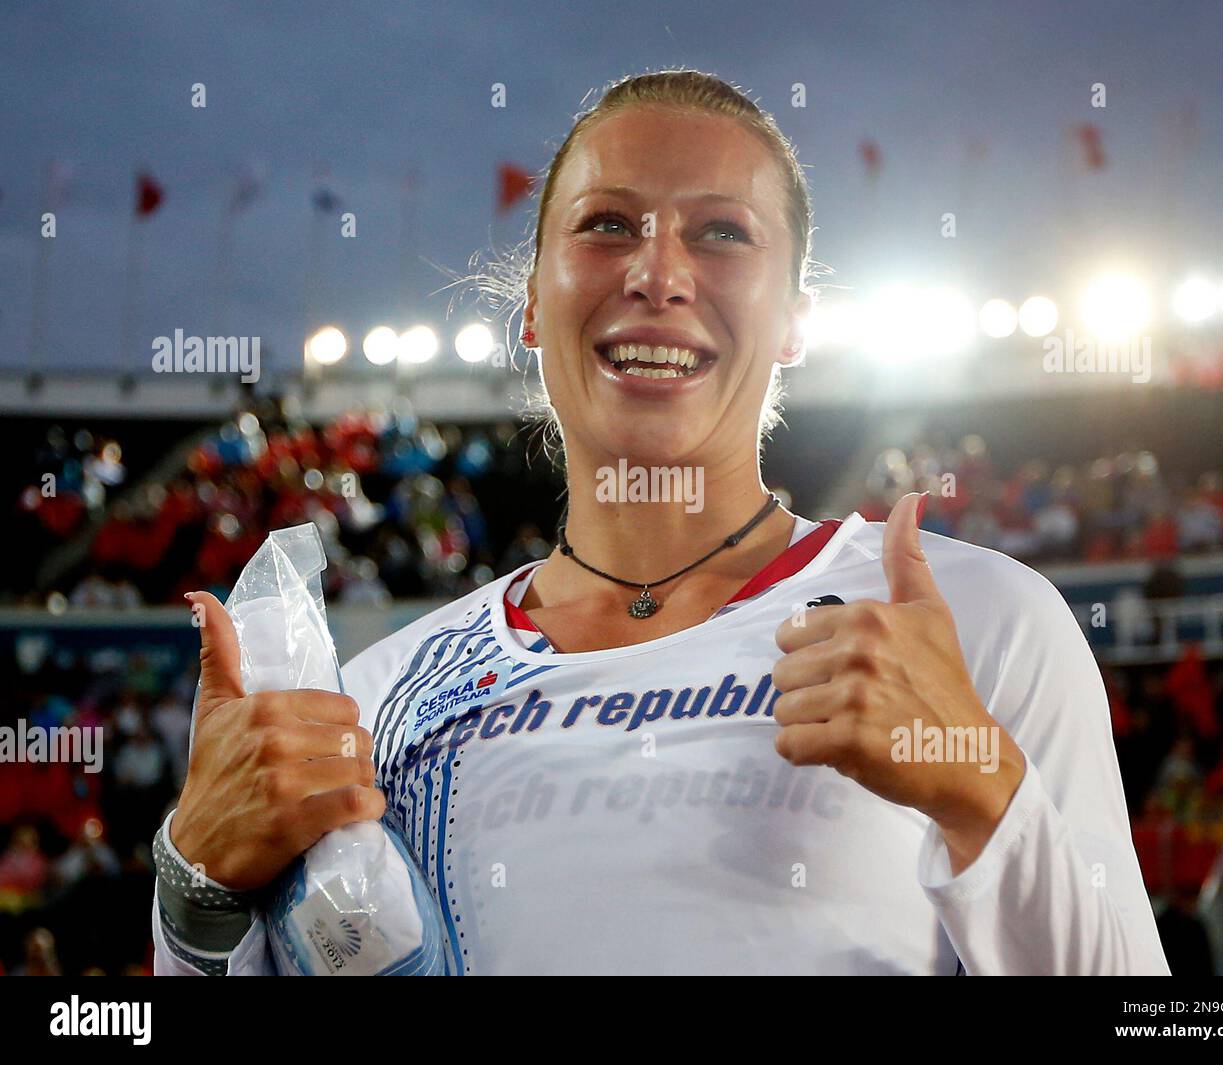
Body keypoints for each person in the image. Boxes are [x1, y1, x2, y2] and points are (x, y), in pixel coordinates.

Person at [151, 69, 1167, 976]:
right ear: (534, 313)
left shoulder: (977, 625)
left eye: (721, 232)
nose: (657, 273)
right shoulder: (372, 703)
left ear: (795, 322)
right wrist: (192, 891)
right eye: (606, 226)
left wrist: (981, 792)